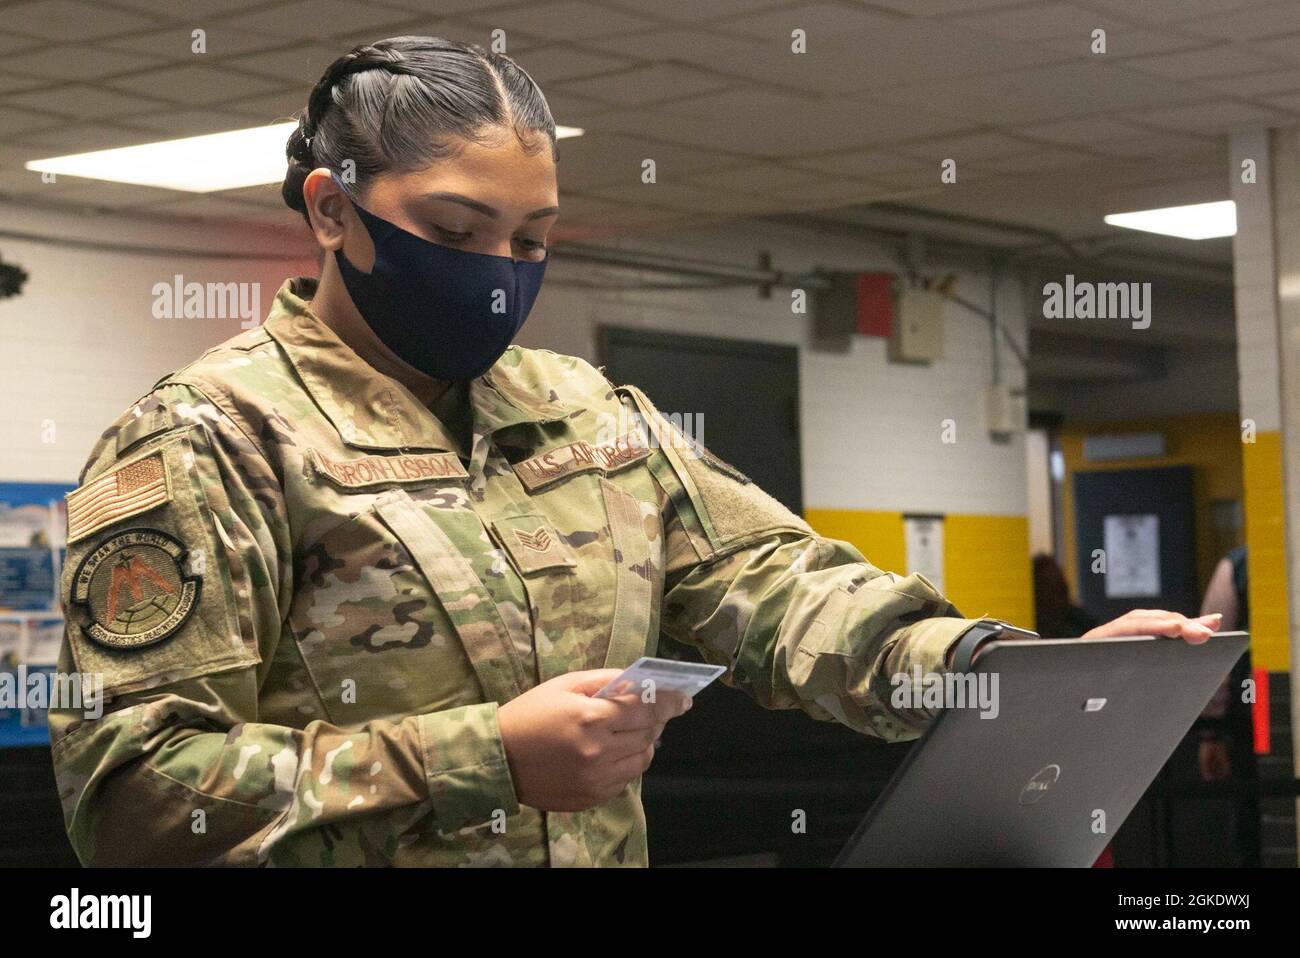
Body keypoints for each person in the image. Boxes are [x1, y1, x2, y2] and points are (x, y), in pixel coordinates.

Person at [48, 36, 1223, 868]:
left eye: (534, 236)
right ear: (330, 209)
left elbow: (786, 593)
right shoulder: (212, 439)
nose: (501, 266)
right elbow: (138, 799)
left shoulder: (589, 415)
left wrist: (1005, 671)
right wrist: (488, 756)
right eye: (457, 232)